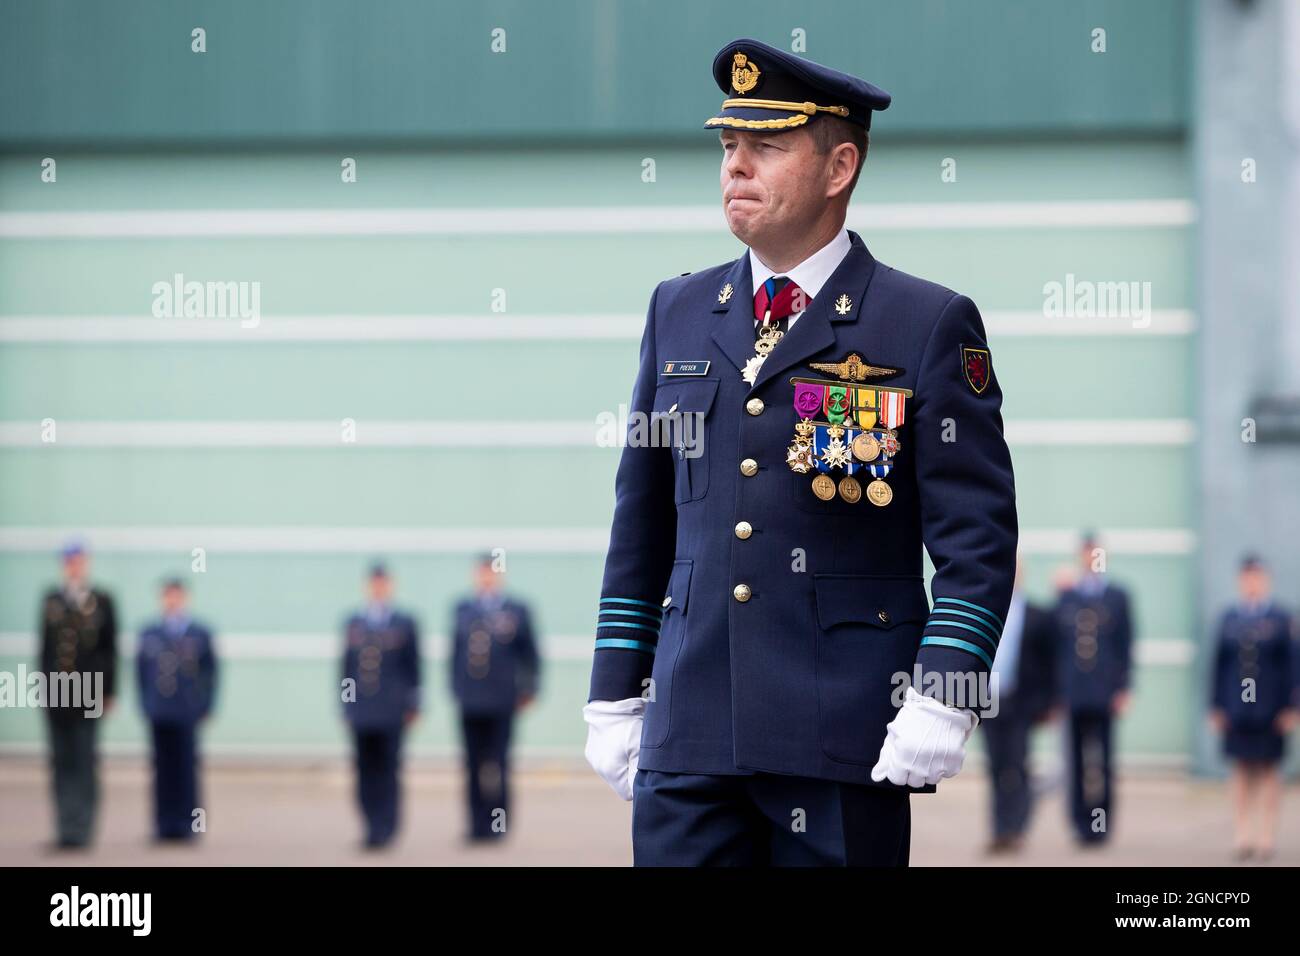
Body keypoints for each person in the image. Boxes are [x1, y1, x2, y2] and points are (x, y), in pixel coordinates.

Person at [582, 37, 1017, 866]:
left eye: (766, 147)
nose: (735, 167)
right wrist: (614, 692)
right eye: (727, 146)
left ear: (839, 165)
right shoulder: (677, 311)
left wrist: (944, 693)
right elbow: (641, 523)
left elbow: (977, 541)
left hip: (844, 737)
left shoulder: (922, 324)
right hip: (690, 734)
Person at [1207, 555, 1298, 860]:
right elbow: (1217, 665)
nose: (1252, 583)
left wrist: (1292, 706)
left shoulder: (1282, 618)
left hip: (1271, 707)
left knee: (1270, 769)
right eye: (1247, 577)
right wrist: (1216, 705)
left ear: (1266, 580)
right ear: (1240, 581)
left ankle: (1266, 836)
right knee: (1241, 769)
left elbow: (1293, 665)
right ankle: (1243, 834)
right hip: (1237, 707)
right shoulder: (1229, 618)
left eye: (1257, 577)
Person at [451, 554, 540, 842]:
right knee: (472, 765)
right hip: (470, 701)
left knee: (499, 764)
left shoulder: (516, 609)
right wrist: (455, 689)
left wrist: (528, 689)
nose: (487, 578)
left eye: (492, 573)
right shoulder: (463, 609)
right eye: (482, 573)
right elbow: (455, 654)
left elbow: (530, 654)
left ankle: (498, 826)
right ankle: (476, 826)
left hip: (502, 700)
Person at [1053, 531, 1133, 846]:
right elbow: (1056, 645)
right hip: (1073, 693)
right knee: (1075, 762)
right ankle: (1079, 824)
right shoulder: (1067, 595)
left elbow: (1126, 644)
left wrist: (1124, 687)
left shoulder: (1117, 596)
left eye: (1095, 552)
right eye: (1086, 553)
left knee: (1102, 762)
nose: (1091, 558)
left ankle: (1101, 825)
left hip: (1104, 694)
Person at [38, 539, 118, 849]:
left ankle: (83, 829)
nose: (74, 566)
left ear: (86, 564)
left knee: (85, 761)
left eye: (79, 561)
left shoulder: (101, 600)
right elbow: (45, 651)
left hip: (88, 693)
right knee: (61, 762)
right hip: (58, 695)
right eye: (69, 561)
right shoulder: (52, 600)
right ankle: (64, 829)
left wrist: (108, 692)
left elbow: (109, 650)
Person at [339, 562, 421, 848]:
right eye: (374, 583)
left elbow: (413, 667)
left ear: (390, 586)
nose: (378, 588)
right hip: (362, 710)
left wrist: (414, 703)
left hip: (391, 710)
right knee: (364, 770)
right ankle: (370, 825)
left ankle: (388, 826)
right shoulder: (354, 622)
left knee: (388, 769)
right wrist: (346, 705)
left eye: (383, 583)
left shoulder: (404, 622)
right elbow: (346, 669)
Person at [980, 555, 1057, 854]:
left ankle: (1017, 828)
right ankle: (999, 829)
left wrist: (1050, 702)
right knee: (996, 767)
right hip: (988, 702)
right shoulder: (986, 613)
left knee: (1018, 766)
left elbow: (1051, 663)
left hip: (1022, 703)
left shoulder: (1038, 614)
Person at [136, 577, 217, 842]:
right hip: (160, 711)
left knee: (187, 770)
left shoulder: (199, 632)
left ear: (184, 598)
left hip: (187, 710)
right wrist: (145, 704)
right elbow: (140, 674)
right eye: (168, 596)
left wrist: (207, 705)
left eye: (177, 596)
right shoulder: (150, 632)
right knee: (162, 770)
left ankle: (188, 825)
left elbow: (210, 673)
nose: (172, 601)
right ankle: (164, 825)